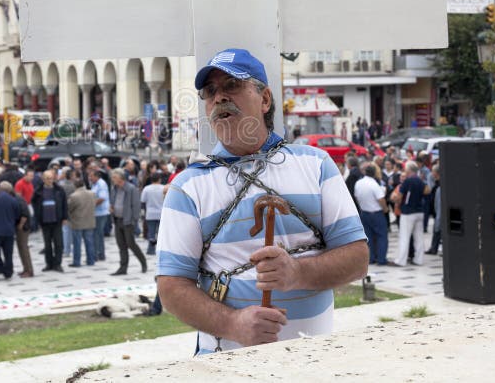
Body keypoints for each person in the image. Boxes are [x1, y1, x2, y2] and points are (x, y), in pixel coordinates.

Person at [157, 48, 368, 354]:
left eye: (232, 86)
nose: (219, 98)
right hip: (227, 365)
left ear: (265, 99)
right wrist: (233, 324)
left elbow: (358, 258)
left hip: (314, 363)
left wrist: (298, 273)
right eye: (210, 91)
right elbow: (171, 288)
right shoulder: (187, 187)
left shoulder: (316, 165)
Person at [391, 161, 430, 267]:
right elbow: (427, 191)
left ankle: (401, 260)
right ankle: (419, 259)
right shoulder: (420, 181)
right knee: (419, 237)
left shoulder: (407, 181)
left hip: (408, 212)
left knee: (404, 236)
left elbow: (399, 196)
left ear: (409, 170)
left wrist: (396, 201)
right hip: (419, 211)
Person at [109, 169, 147, 275]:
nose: (113, 180)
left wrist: (134, 220)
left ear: (121, 178)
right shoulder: (114, 189)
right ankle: (123, 268)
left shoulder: (131, 188)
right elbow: (113, 201)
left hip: (128, 221)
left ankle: (143, 262)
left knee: (131, 244)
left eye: (114, 177)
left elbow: (136, 206)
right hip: (117, 219)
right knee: (121, 245)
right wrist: (112, 208)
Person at [32, 170, 68, 273]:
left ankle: (58, 264)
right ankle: (49, 264)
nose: (49, 180)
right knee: (47, 245)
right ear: (43, 179)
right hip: (44, 221)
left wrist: (65, 217)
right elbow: (34, 204)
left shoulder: (59, 190)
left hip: (57, 221)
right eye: (47, 178)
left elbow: (64, 204)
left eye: (51, 178)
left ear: (53, 178)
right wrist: (37, 217)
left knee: (58, 244)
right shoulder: (38, 191)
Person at [354, 165, 389, 266]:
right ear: (374, 173)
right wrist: (385, 209)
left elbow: (356, 196)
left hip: (364, 212)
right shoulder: (374, 184)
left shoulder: (358, 183)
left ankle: (371, 258)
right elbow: (381, 199)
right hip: (376, 213)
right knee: (381, 236)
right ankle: (381, 259)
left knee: (368, 237)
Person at [67, 170, 96, 267]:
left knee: (77, 243)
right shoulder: (92, 193)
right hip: (90, 221)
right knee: (90, 242)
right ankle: (91, 260)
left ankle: (77, 262)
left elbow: (69, 208)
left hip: (77, 222)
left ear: (75, 186)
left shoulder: (74, 196)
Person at [141, 173, 165, 255]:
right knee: (160, 233)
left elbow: (143, 201)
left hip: (150, 213)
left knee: (151, 233)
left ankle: (150, 250)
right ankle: (160, 250)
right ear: (159, 179)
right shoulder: (163, 188)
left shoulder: (146, 189)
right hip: (161, 213)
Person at [89, 169, 110, 262]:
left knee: (97, 234)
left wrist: (91, 205)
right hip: (97, 212)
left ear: (97, 176)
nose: (90, 178)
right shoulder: (94, 184)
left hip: (100, 213)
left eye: (91, 176)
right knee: (98, 234)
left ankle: (97, 254)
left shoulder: (101, 184)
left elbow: (102, 198)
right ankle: (100, 254)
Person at [425, 165, 443, 256]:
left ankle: (435, 248)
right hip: (436, 210)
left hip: (439, 211)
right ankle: (433, 248)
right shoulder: (436, 183)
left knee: (438, 229)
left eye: (433, 171)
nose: (431, 173)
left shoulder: (440, 185)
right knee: (437, 230)